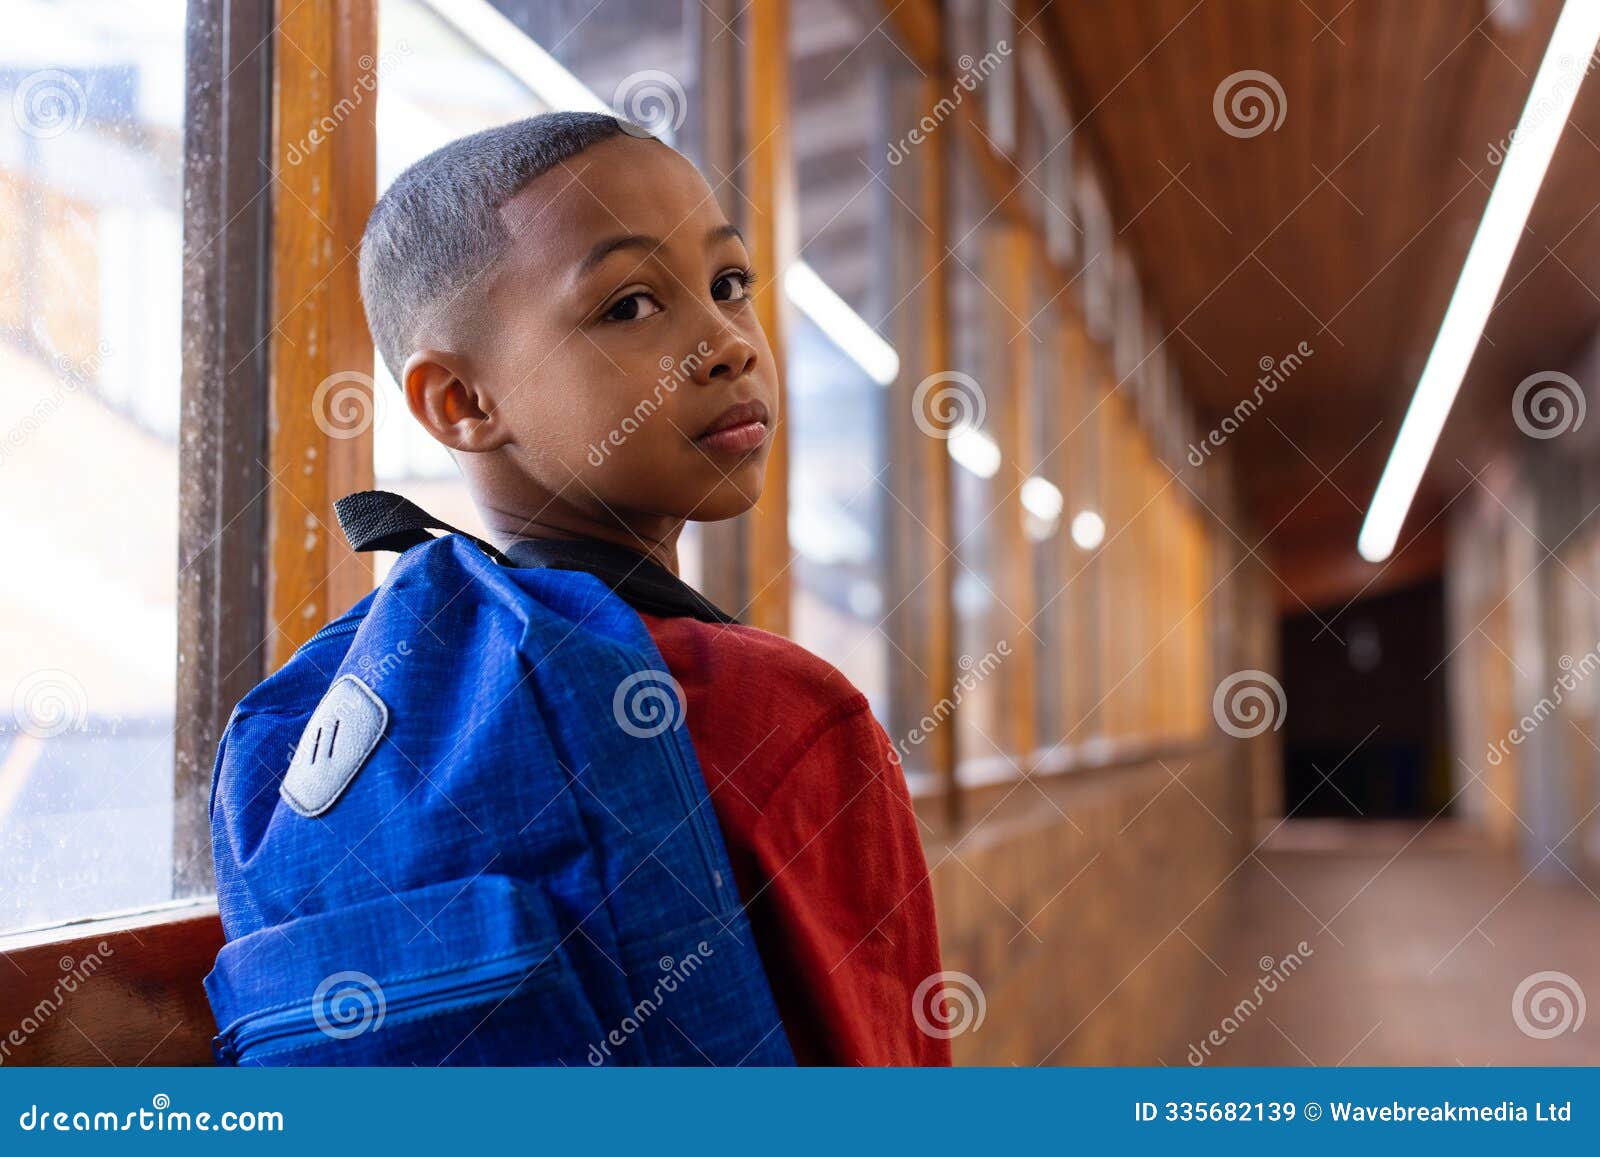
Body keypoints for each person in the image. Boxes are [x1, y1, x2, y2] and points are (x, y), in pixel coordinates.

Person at [357, 110, 949, 1065]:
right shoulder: (776, 713)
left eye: (729, 284)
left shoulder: (340, 716)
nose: (727, 343)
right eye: (630, 305)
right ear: (461, 402)